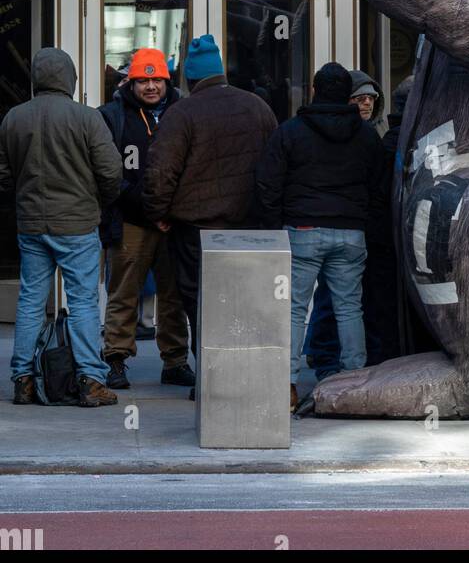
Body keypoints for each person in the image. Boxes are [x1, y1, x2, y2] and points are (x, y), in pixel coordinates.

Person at [142, 35, 277, 388]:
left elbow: (160, 171)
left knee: (201, 305)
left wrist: (158, 212)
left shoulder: (181, 112)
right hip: (250, 228)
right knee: (244, 303)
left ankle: (213, 381)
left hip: (194, 230)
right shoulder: (257, 107)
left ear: (191, 77)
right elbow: (275, 166)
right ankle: (246, 378)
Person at [254, 62, 386, 410]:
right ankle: (355, 383)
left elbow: (268, 182)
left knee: (294, 309)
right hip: (351, 232)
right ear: (347, 95)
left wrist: (275, 226)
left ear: (314, 90)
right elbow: (379, 188)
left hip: (302, 229)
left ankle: (287, 385)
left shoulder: (292, 131)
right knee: (349, 308)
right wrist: (365, 224)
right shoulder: (367, 135)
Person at [0, 48, 122, 407]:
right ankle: (90, 379)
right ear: (71, 78)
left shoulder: (13, 118)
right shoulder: (86, 118)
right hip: (78, 223)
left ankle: (23, 378)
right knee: (83, 301)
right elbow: (111, 171)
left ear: (36, 79)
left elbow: (4, 176)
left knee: (30, 302)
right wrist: (99, 200)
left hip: (32, 223)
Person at [99, 48, 194, 390]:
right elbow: (107, 172)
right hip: (130, 220)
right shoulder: (112, 116)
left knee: (174, 296)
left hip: (172, 223)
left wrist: (172, 210)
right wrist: (146, 206)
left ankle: (175, 362)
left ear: (167, 80)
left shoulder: (182, 113)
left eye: (157, 79)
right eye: (144, 80)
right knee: (123, 293)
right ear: (132, 81)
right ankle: (116, 359)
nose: (151, 86)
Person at [304, 70, 401, 378]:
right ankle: (328, 356)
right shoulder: (363, 137)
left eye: (371, 99)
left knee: (342, 300)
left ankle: (329, 356)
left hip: (351, 225)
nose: (366, 105)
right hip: (347, 226)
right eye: (359, 98)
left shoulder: (374, 134)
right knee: (335, 299)